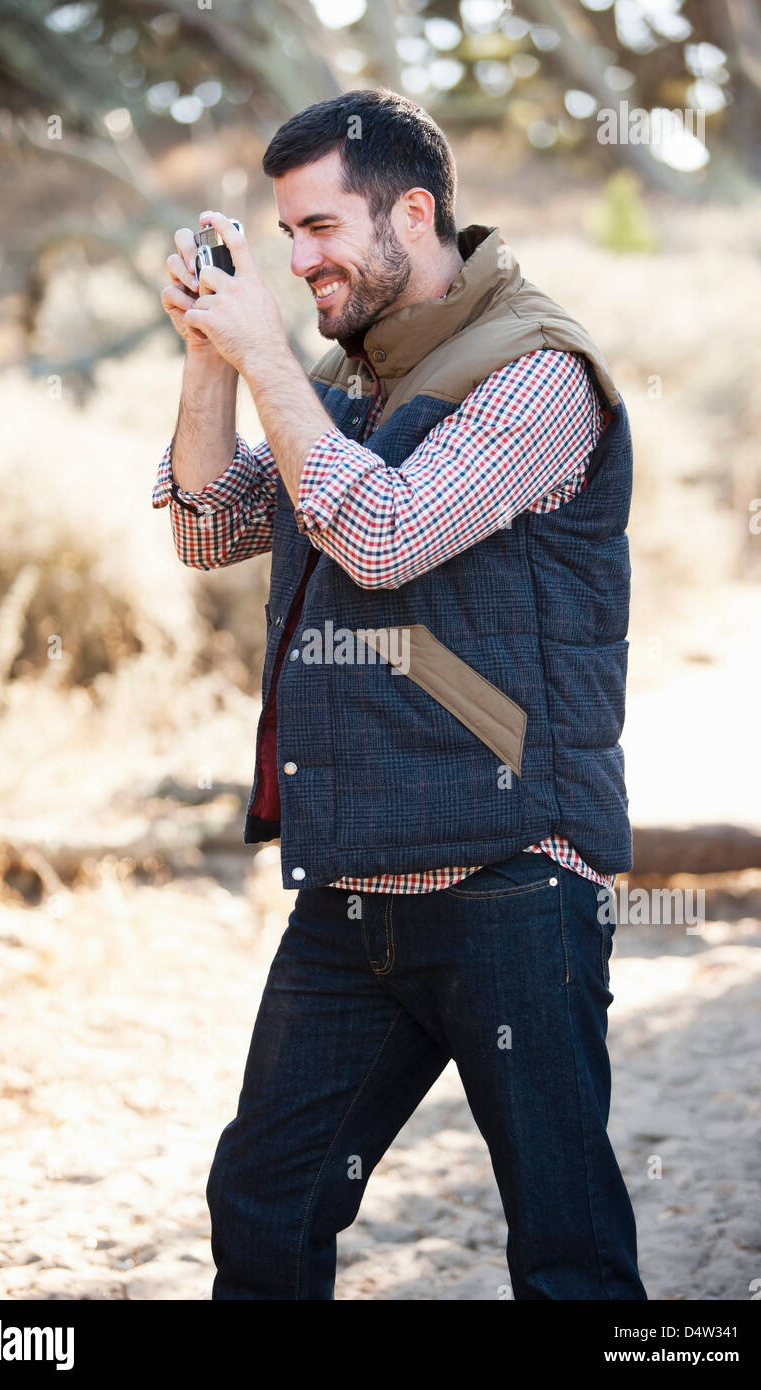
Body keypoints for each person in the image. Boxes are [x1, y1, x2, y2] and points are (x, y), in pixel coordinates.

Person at [154, 88, 646, 1301]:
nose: (299, 259)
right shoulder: (352, 377)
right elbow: (210, 529)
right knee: (263, 1201)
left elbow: (379, 535)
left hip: (512, 884)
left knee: (564, 1245)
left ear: (410, 212)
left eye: (319, 228)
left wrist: (268, 354)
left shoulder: (537, 376)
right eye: (285, 236)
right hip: (355, 888)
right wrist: (211, 361)